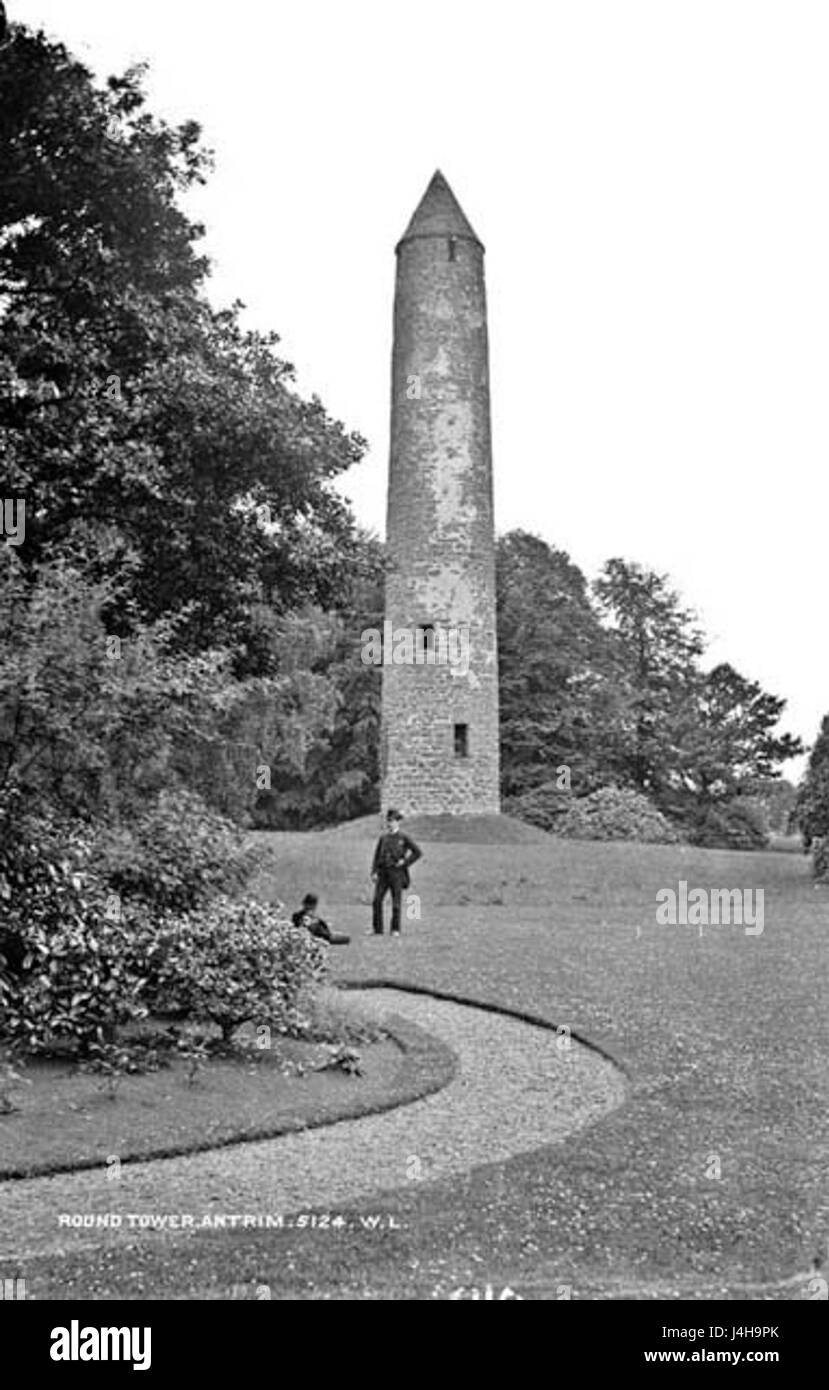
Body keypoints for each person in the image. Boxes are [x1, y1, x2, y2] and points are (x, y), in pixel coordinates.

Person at [370, 809, 422, 936]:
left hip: (397, 873)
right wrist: (374, 871)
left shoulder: (403, 838)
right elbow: (377, 856)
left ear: (398, 822)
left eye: (392, 821)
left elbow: (417, 853)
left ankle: (395, 929)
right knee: (377, 900)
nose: (389, 824)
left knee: (396, 903)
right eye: (388, 821)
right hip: (383, 873)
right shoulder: (383, 838)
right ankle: (377, 929)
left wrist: (404, 863)